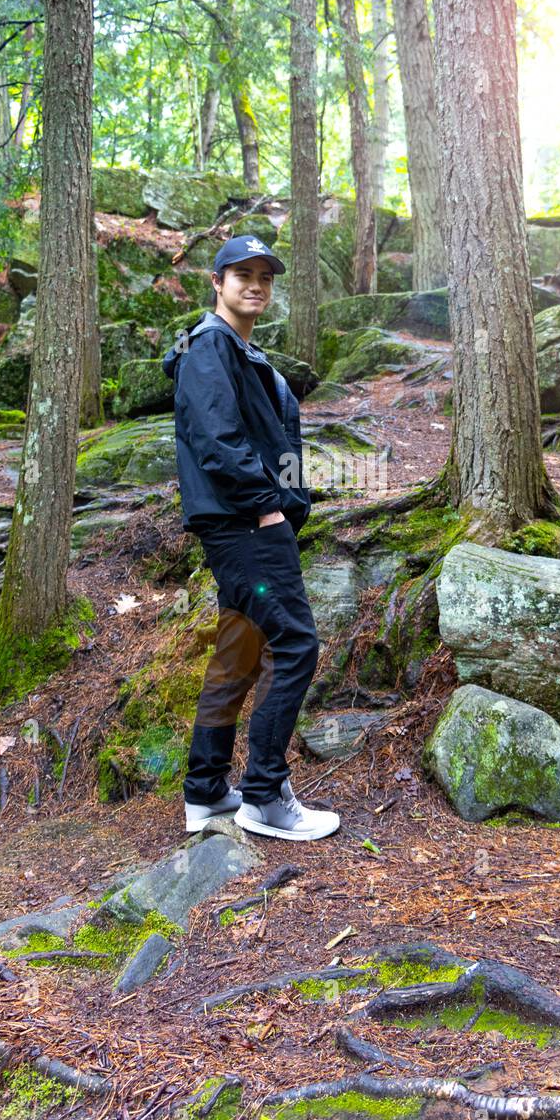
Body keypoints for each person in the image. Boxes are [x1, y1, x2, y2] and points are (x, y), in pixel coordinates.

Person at [161, 233, 340, 842]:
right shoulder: (210, 347)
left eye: (265, 275)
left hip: (247, 522)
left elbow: (272, 441)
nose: (255, 284)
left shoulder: (241, 352)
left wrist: (292, 506)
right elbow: (217, 440)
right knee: (295, 645)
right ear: (217, 282)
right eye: (242, 274)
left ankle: (207, 790)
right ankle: (263, 795)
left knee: (238, 651)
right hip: (243, 527)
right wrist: (267, 510)